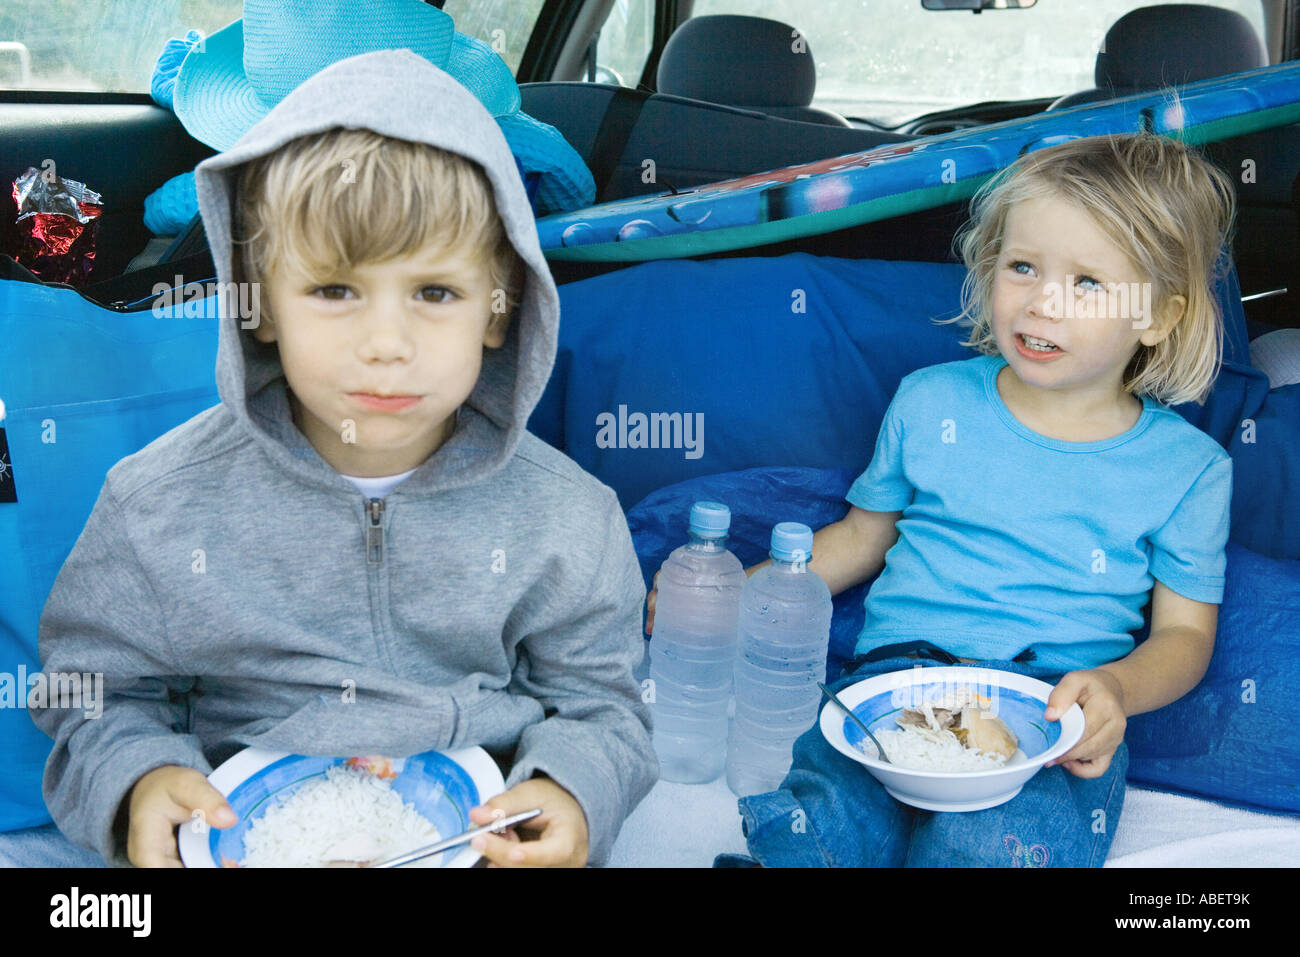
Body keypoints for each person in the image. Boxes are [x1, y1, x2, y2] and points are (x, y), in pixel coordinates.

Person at [28, 50, 656, 869]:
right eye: (333, 290)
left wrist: (574, 789)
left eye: (435, 293)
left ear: (500, 310)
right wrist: (139, 778)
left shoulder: (570, 518)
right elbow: (91, 693)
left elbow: (604, 709)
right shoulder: (156, 503)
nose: (386, 345)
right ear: (260, 306)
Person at [650, 131, 1236, 867]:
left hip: (1047, 718)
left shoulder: (1189, 468)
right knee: (821, 819)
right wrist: (734, 593)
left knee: (996, 847)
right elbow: (863, 538)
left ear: (1158, 314)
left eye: (1088, 282)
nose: (1042, 303)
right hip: (891, 686)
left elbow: (1185, 638)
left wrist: (1114, 690)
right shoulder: (929, 402)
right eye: (1022, 266)